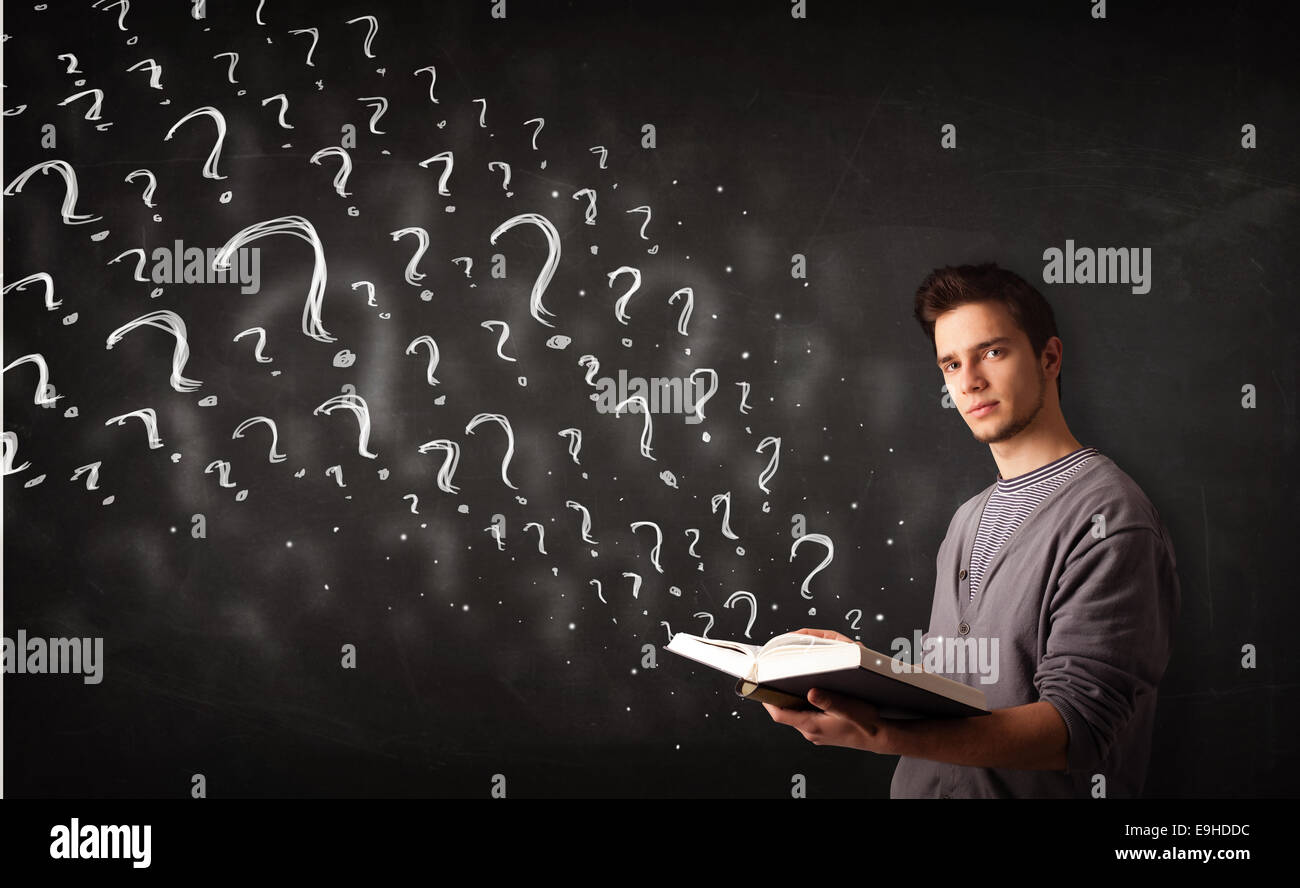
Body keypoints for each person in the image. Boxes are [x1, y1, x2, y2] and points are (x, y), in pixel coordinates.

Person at [765, 262, 1181, 798]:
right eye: (951, 364)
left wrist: (881, 733)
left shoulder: (1111, 521)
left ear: (1049, 357)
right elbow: (972, 685)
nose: (969, 381)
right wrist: (862, 671)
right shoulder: (968, 519)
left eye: (992, 352)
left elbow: (1077, 728)